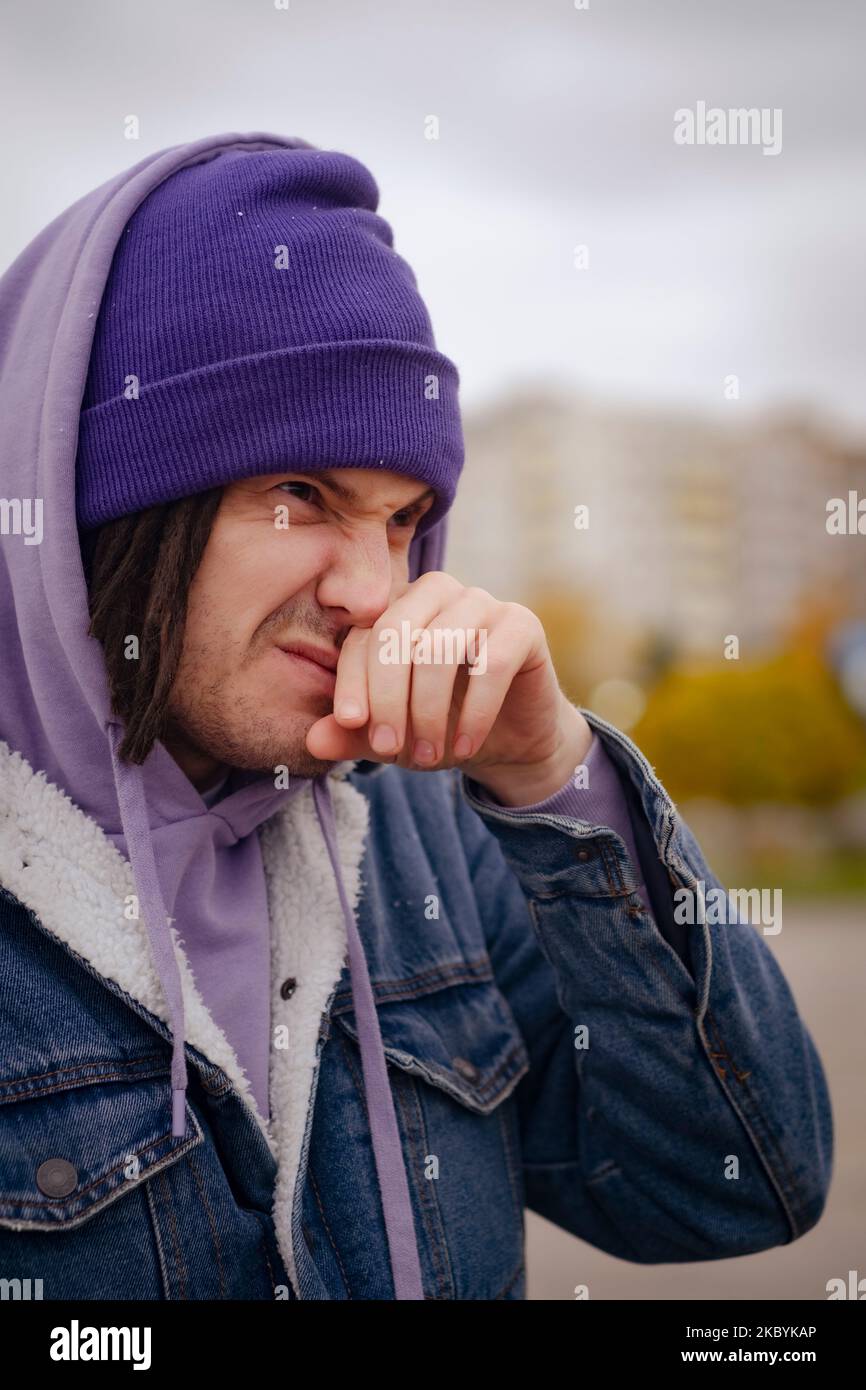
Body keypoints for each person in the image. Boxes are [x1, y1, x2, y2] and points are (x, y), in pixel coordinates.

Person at [0, 131, 831, 1301]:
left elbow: (736, 1185)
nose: (370, 591)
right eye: (300, 494)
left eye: (402, 520)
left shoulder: (425, 829)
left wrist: (550, 769)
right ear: (98, 498)